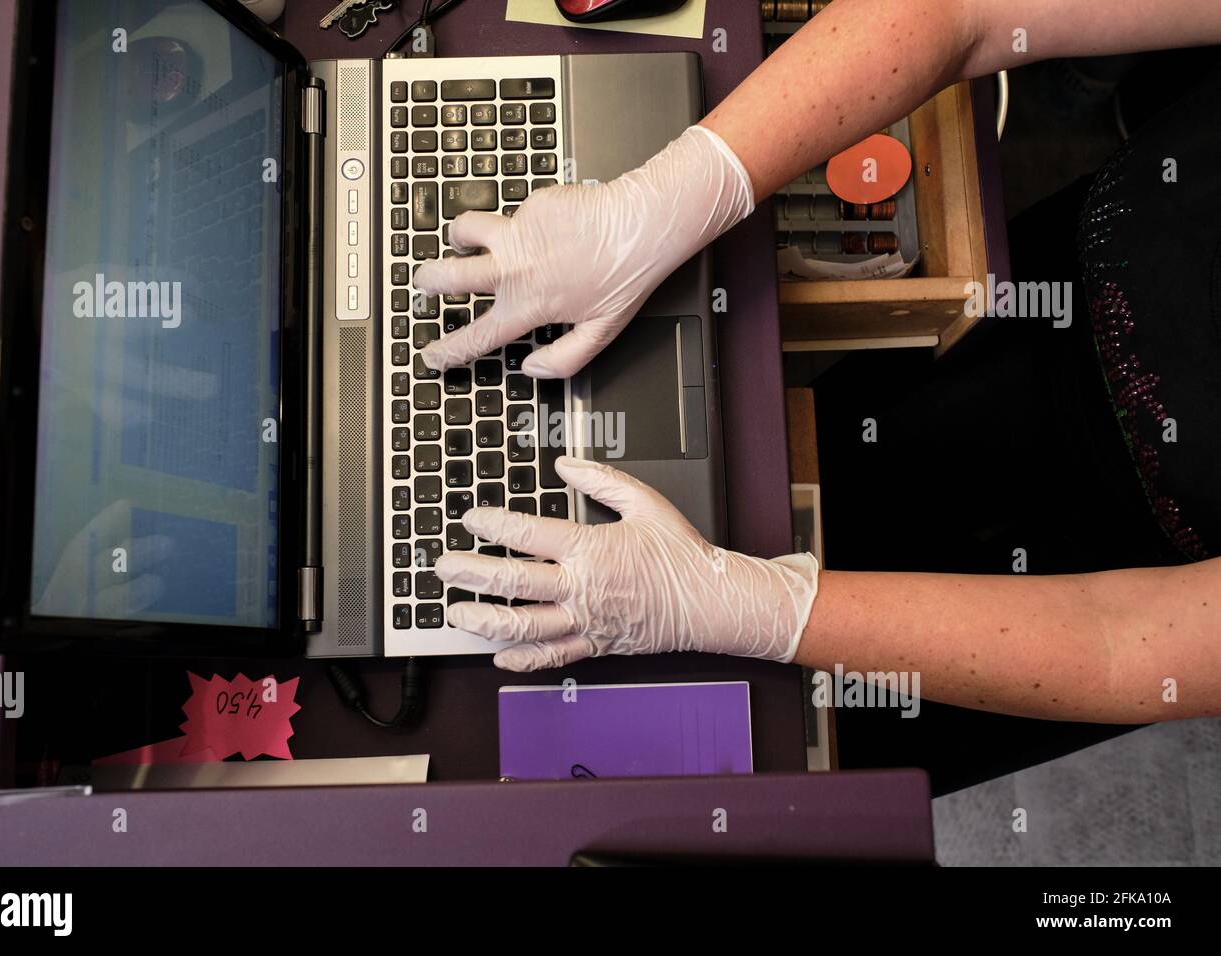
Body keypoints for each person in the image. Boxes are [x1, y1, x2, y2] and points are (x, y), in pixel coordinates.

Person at [412, 0, 1221, 729]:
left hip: (1124, 564)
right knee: (812, 462)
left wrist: (754, 613)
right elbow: (962, 9)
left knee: (837, 729)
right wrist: (672, 195)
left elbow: (1123, 647)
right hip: (1077, 295)